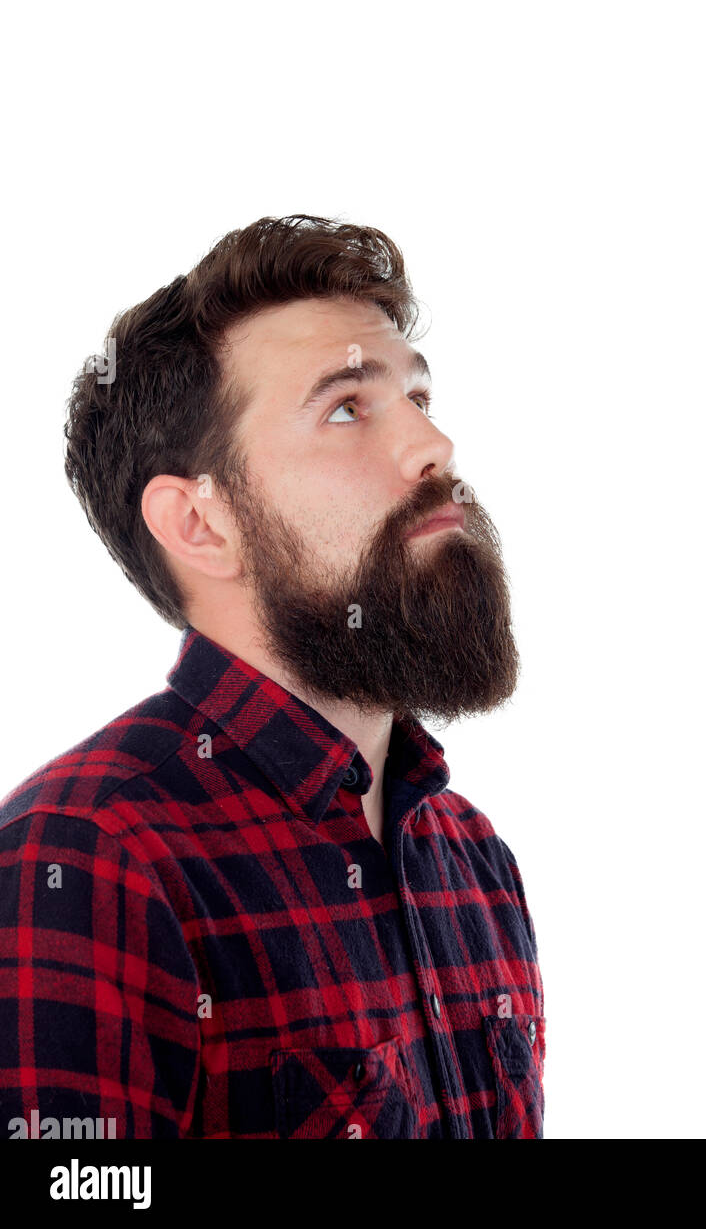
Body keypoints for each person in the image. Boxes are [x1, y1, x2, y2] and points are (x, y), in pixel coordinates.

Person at [0, 215, 544, 1139]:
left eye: (418, 395)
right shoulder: (85, 858)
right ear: (200, 525)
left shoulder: (471, 859)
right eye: (346, 407)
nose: (434, 446)